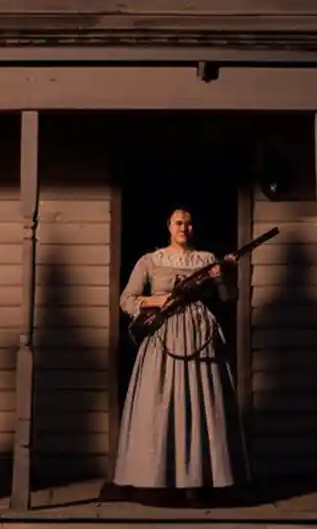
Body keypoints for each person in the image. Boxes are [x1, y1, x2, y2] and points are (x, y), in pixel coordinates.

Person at [104, 208, 251, 507]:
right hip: (163, 334)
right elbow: (127, 299)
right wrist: (160, 301)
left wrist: (226, 275)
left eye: (188, 223)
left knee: (204, 402)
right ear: (169, 226)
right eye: (178, 222)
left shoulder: (206, 259)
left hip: (200, 335)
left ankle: (203, 480)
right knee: (160, 402)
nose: (184, 227)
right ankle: (159, 480)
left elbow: (228, 297)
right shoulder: (151, 260)